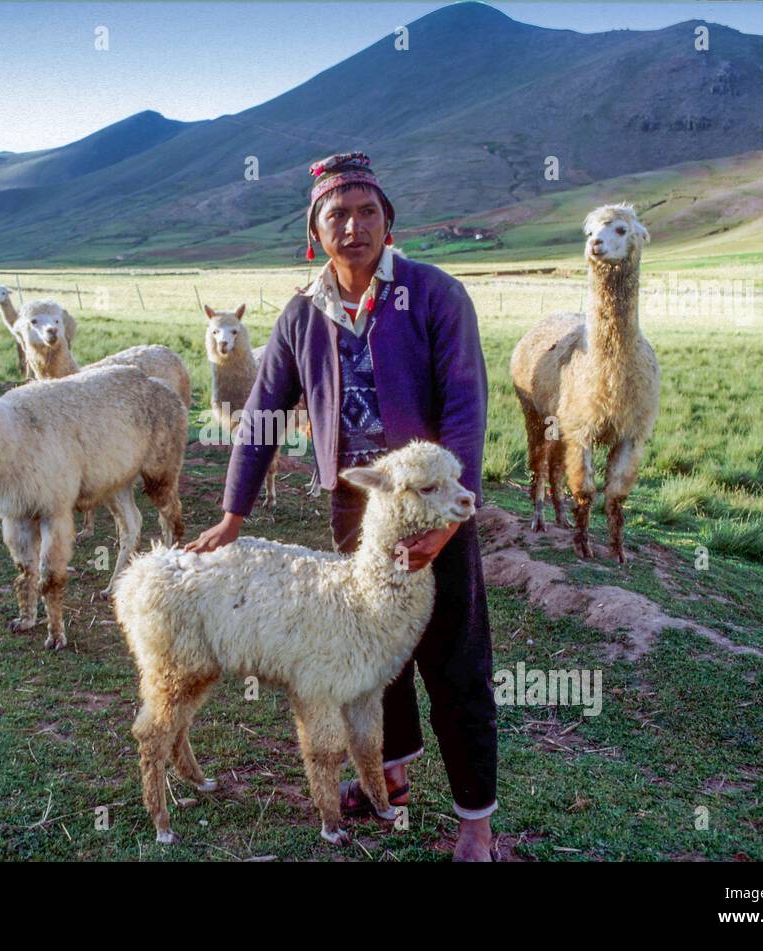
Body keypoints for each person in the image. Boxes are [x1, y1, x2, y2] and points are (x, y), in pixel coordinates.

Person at [184, 152, 498, 861]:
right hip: (358, 513)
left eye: (367, 212)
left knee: (453, 659)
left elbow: (466, 414)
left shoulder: (435, 295)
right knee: (364, 649)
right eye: (337, 215)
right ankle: (387, 771)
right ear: (314, 232)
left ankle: (476, 823)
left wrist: (447, 524)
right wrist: (233, 511)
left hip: (435, 509)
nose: (353, 226)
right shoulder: (302, 314)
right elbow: (262, 413)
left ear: (389, 222)